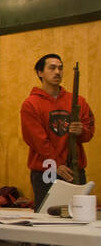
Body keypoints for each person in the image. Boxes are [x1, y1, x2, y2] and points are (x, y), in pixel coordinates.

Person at [20, 53, 93, 207]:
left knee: (78, 217)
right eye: (52, 68)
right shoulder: (31, 104)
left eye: (60, 68)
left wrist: (81, 131)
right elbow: (37, 140)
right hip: (47, 170)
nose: (57, 72)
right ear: (40, 73)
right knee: (47, 218)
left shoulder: (78, 101)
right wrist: (56, 164)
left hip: (74, 169)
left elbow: (89, 131)